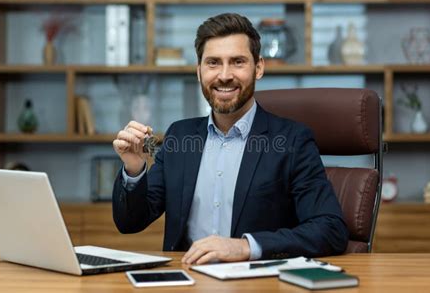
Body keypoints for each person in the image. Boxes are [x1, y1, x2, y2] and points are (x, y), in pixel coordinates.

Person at [112, 13, 348, 265]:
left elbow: (330, 229)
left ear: (258, 68)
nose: (224, 75)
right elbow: (130, 222)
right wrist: (134, 169)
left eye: (237, 62)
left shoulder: (292, 141)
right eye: (213, 63)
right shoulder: (180, 137)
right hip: (187, 280)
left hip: (258, 283)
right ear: (199, 71)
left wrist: (247, 247)